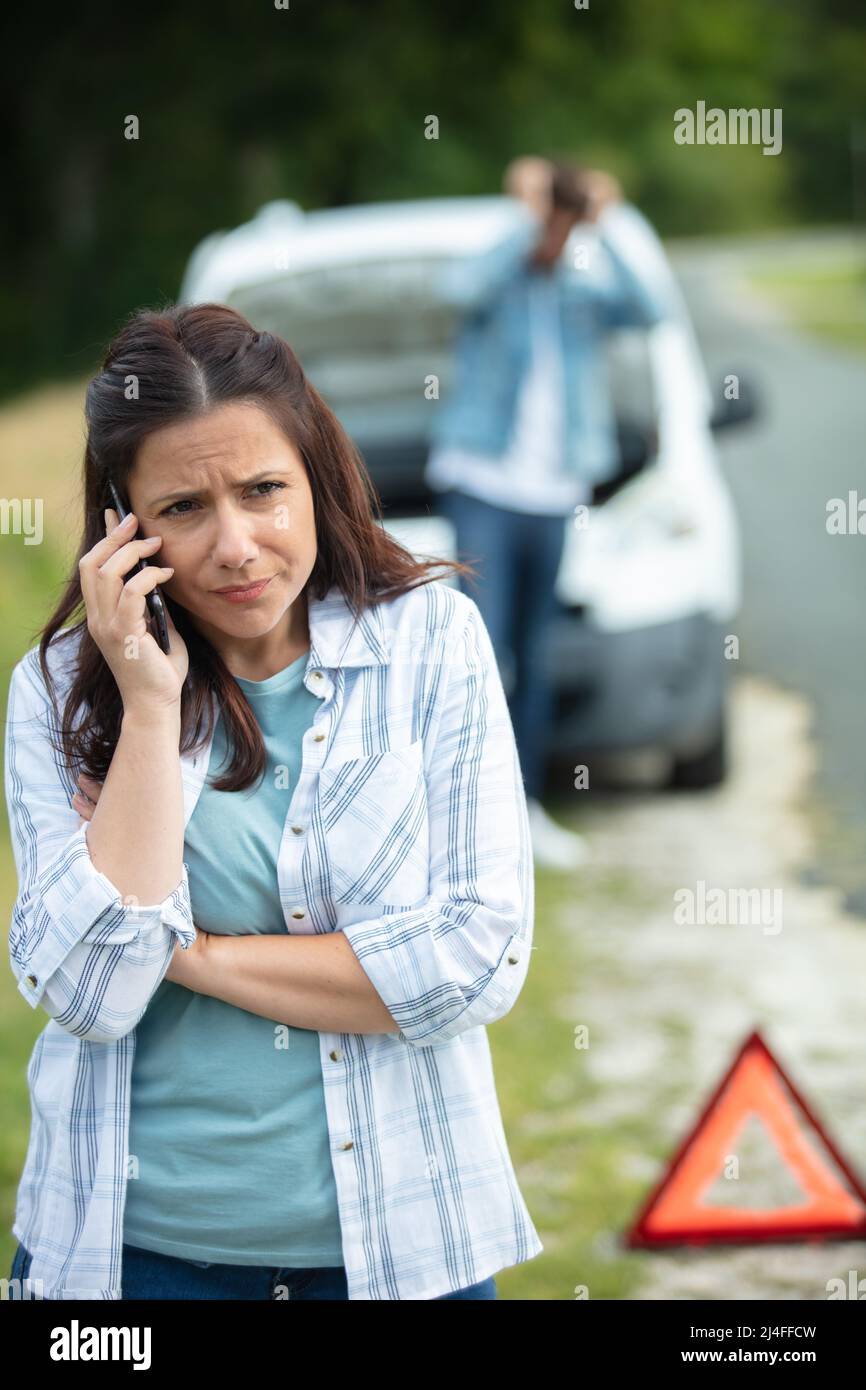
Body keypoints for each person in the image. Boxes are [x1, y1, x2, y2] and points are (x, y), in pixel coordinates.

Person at [4, 302, 543, 1300]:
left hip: (399, 1253)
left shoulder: (432, 642)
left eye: (262, 491)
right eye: (181, 509)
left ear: (316, 479)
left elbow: (473, 961)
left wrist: (192, 953)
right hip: (130, 1262)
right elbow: (89, 994)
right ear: (121, 524)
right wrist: (150, 704)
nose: (237, 547)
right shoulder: (56, 689)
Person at [426, 155, 669, 869]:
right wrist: (528, 220)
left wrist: (608, 218)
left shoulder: (580, 291)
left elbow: (650, 311)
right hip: (481, 484)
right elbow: (457, 288)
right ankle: (464, 822)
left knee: (534, 655)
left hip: (556, 493)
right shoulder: (500, 279)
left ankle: (525, 809)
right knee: (480, 653)